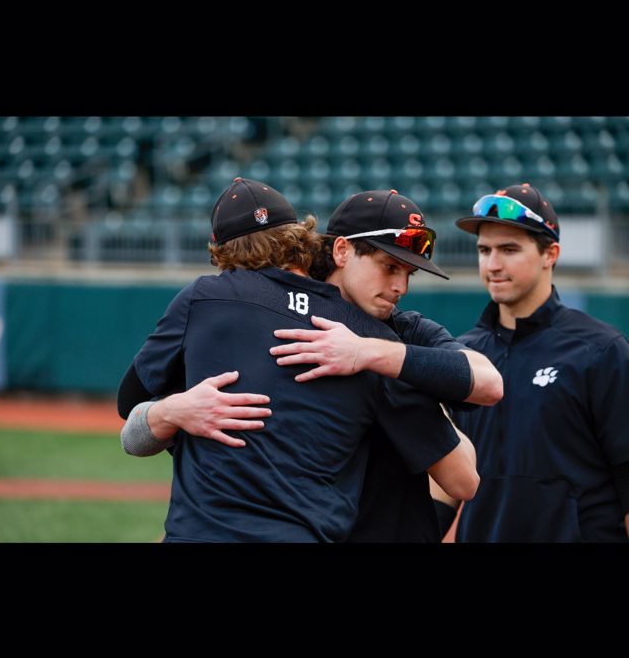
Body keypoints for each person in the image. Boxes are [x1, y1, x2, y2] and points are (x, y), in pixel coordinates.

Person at [117, 178, 479, 543]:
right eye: (390, 267)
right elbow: (462, 479)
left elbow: (130, 414)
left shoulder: (203, 299)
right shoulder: (369, 337)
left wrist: (173, 411)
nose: (400, 287)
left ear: (222, 253)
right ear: (304, 240)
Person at [437, 183, 629, 542]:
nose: (492, 264)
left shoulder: (601, 350)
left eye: (509, 249)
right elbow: (446, 483)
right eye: (484, 250)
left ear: (550, 254)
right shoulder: (463, 356)